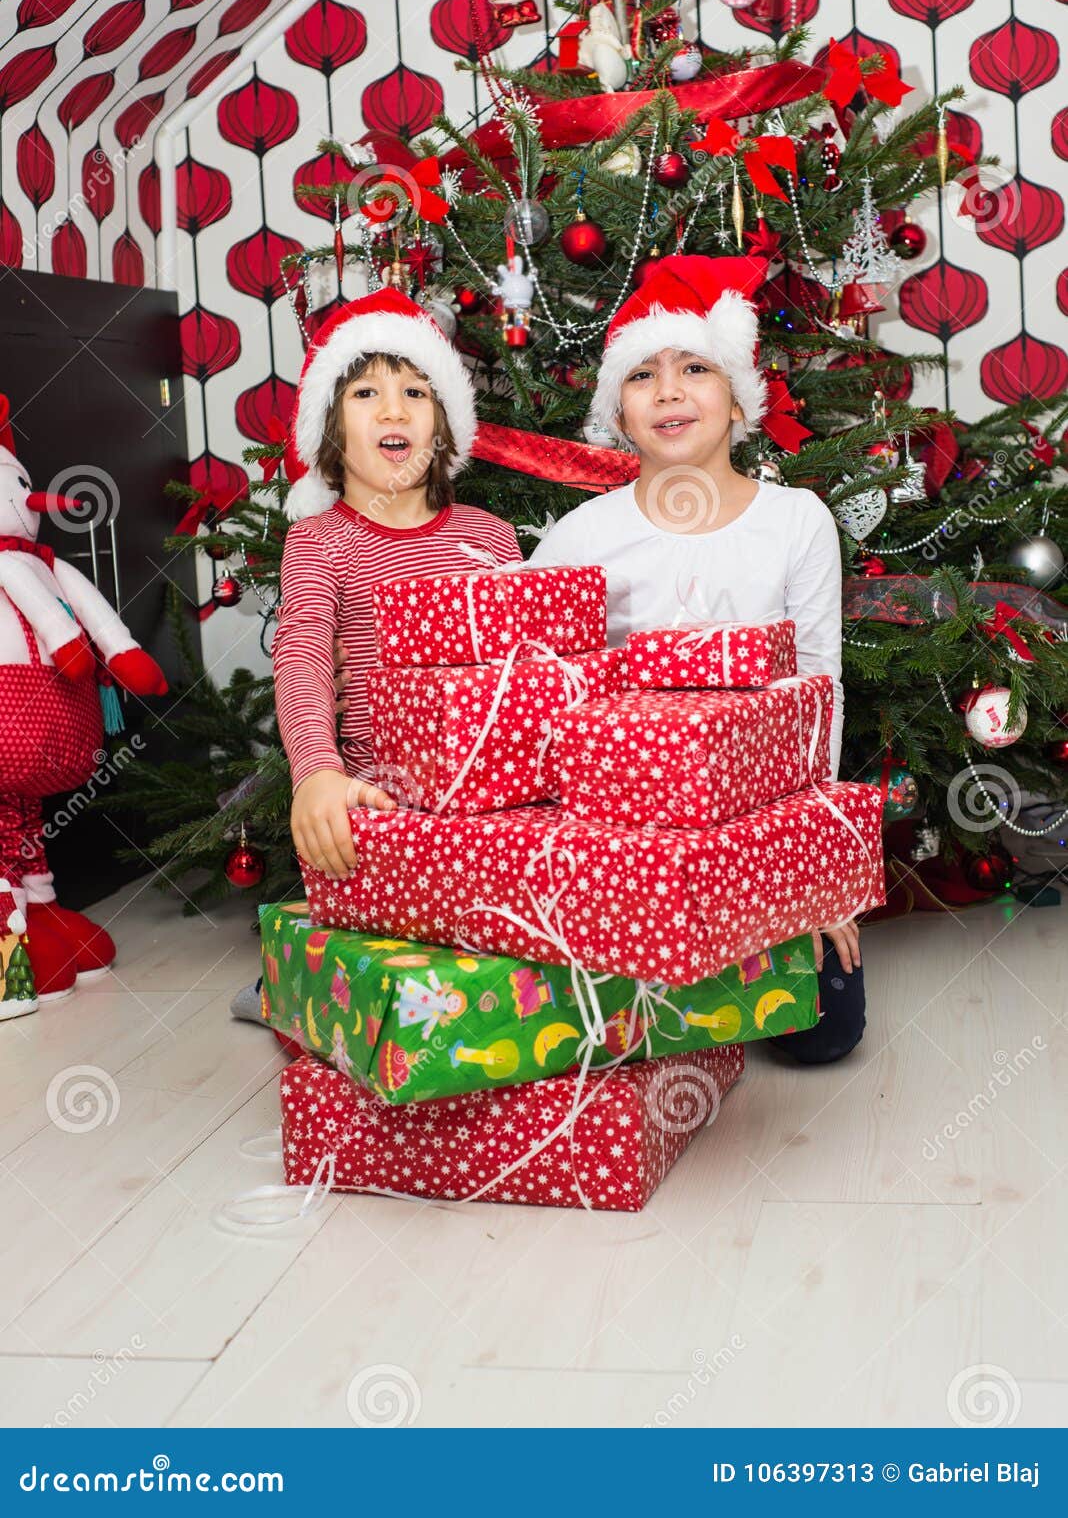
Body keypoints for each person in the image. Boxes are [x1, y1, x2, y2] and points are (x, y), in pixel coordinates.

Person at [526, 254, 864, 1065]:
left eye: (695, 368)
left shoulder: (797, 520)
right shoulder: (580, 538)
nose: (670, 391)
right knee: (602, 1022)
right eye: (643, 374)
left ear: (740, 402)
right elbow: (532, 694)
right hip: (623, 831)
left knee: (821, 1036)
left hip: (759, 830)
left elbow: (818, 689)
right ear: (620, 414)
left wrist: (815, 873)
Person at [230, 287, 520, 1026]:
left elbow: (526, 667)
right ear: (330, 429)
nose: (394, 410)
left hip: (487, 788)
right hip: (376, 789)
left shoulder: (488, 537)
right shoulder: (319, 541)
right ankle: (309, 980)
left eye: (415, 391)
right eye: (366, 392)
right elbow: (300, 655)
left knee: (507, 936)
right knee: (396, 925)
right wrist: (318, 774)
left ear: (444, 422)